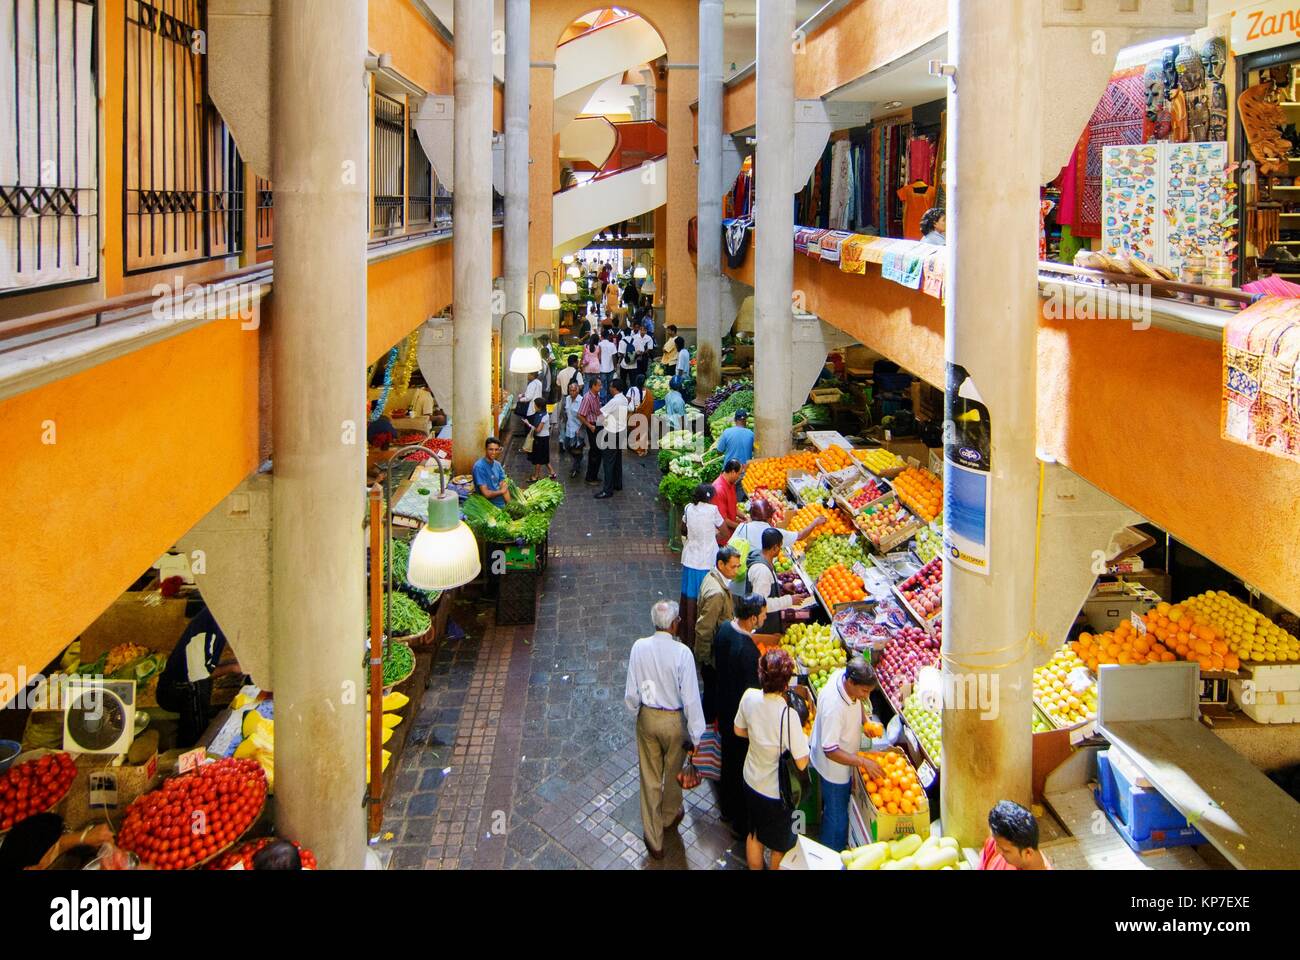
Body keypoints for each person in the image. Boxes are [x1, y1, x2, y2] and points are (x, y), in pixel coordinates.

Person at [624, 600, 706, 860]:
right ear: (674, 624)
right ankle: (670, 814)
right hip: (674, 723)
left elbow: (631, 693)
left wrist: (638, 710)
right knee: (673, 771)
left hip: (648, 719)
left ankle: (654, 838)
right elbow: (691, 698)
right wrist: (697, 735)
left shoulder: (639, 647)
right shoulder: (682, 653)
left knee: (649, 778)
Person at [734, 648, 809, 870]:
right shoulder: (789, 716)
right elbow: (802, 762)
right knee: (780, 844)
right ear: (786, 683)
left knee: (755, 833)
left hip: (750, 780)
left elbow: (738, 730)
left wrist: (759, 739)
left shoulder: (749, 697)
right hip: (777, 794)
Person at [810, 657, 884, 852]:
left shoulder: (842, 678)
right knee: (837, 819)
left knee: (835, 812)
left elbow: (857, 701)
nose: (866, 696)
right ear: (850, 682)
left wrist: (864, 721)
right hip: (834, 770)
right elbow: (830, 750)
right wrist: (862, 762)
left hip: (844, 759)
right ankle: (831, 856)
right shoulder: (834, 708)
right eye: (864, 691)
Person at [714, 592, 768, 836]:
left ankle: (725, 807)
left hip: (723, 706)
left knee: (728, 760)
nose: (765, 618)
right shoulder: (748, 651)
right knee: (739, 765)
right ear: (753, 619)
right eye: (764, 615)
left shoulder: (725, 628)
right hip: (739, 718)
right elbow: (753, 694)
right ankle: (738, 819)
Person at [155, 605, 243, 747]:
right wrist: (232, 668)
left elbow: (205, 664)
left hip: (192, 680)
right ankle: (190, 752)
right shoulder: (206, 628)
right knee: (195, 738)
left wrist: (232, 663)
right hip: (175, 690)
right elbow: (199, 674)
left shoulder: (216, 618)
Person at [695, 546, 741, 722]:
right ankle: (706, 725)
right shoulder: (717, 594)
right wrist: (705, 658)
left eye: (738, 566)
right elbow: (704, 628)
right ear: (721, 564)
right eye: (733, 567)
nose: (736, 571)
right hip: (712, 654)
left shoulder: (713, 577)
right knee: (712, 691)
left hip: (713, 651)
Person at [746, 527, 816, 635]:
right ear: (774, 548)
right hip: (764, 626)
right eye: (780, 546)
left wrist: (781, 586)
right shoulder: (762, 571)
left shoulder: (763, 557)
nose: (780, 550)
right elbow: (761, 604)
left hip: (770, 619)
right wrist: (789, 600)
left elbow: (766, 585)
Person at [680, 484, 724, 651]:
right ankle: (704, 643)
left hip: (690, 560)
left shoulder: (688, 508)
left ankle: (688, 639)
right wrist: (713, 535)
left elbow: (683, 529)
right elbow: (725, 531)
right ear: (709, 498)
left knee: (690, 602)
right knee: (706, 603)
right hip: (707, 562)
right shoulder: (713, 510)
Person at [0, 814, 115, 870]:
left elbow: (60, 844)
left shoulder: (15, 847)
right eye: (52, 850)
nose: (56, 848)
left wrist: (84, 837)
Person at [733, 498, 826, 554]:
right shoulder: (774, 534)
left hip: (737, 574)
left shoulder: (742, 527)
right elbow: (801, 536)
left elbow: (730, 546)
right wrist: (814, 523)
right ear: (769, 519)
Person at [981, 801, 1052, 870]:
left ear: (1028, 853)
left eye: (1005, 851)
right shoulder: (998, 842)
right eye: (996, 843)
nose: (997, 850)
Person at [595, 379, 628, 500]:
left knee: (608, 462)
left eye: (610, 386)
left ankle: (607, 490)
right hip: (622, 432)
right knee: (617, 459)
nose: (609, 388)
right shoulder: (624, 399)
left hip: (612, 433)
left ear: (615, 388)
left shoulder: (614, 401)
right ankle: (617, 484)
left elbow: (601, 414)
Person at [523, 395, 557, 483]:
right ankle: (552, 473)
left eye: (535, 405)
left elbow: (538, 430)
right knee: (544, 457)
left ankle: (536, 476)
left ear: (539, 406)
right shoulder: (541, 414)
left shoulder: (543, 416)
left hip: (542, 439)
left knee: (538, 458)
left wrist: (529, 425)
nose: (534, 407)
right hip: (543, 438)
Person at [578, 379, 605, 485]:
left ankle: (594, 475)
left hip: (598, 425)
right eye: (599, 385)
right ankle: (590, 477)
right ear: (593, 386)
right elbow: (580, 415)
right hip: (592, 427)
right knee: (594, 451)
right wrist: (589, 426)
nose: (601, 387)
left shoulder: (596, 396)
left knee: (598, 451)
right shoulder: (587, 397)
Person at [711, 460, 746, 541]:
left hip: (731, 534)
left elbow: (733, 507)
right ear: (733, 472)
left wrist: (745, 517)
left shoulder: (731, 483)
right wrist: (741, 527)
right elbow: (723, 520)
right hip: (723, 536)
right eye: (739, 474)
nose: (739, 477)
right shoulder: (719, 489)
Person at [559, 378, 586, 479]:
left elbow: (585, 417)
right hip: (568, 429)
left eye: (574, 390)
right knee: (567, 447)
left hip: (578, 430)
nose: (572, 392)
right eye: (570, 390)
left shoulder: (582, 401)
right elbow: (565, 414)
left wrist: (581, 428)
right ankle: (578, 460)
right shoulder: (567, 399)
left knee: (577, 449)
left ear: (578, 390)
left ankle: (575, 467)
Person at [472, 436, 511, 506]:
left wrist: (510, 506)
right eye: (491, 449)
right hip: (489, 505)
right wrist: (501, 491)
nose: (494, 452)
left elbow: (503, 485)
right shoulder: (479, 467)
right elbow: (486, 494)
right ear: (485, 449)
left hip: (501, 502)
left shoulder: (498, 465)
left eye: (496, 450)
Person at [627, 374, 655, 457]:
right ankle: (642, 448)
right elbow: (651, 407)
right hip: (644, 416)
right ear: (644, 382)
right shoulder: (648, 393)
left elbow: (627, 401)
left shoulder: (631, 390)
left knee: (633, 432)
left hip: (634, 415)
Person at [597, 328, 618, 398]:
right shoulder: (612, 345)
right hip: (610, 368)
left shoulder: (599, 344)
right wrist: (615, 366)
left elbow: (597, 356)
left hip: (602, 368)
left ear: (602, 337)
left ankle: (603, 398)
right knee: (610, 384)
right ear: (608, 337)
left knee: (602, 384)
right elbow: (614, 357)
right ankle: (610, 397)